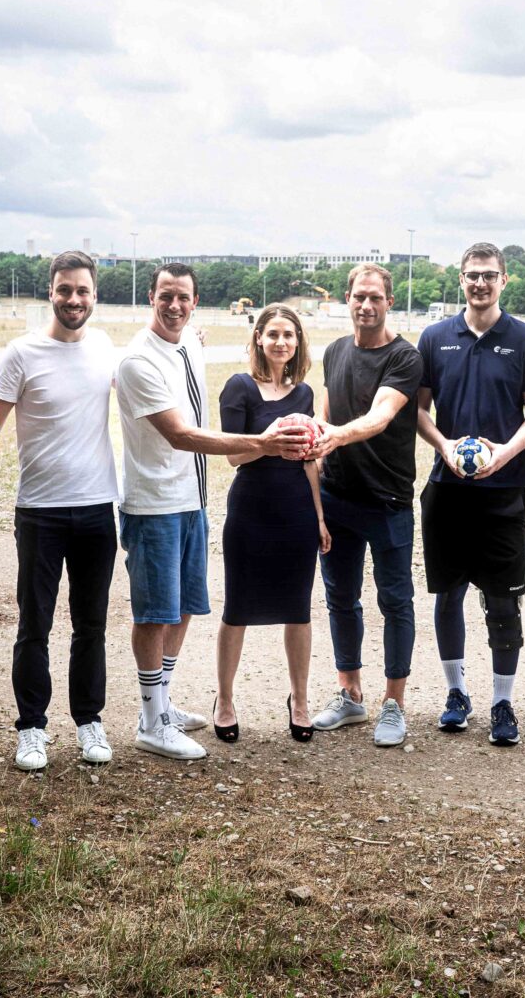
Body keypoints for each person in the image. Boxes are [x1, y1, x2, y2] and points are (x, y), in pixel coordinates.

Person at [114, 262, 308, 760]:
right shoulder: (138, 361)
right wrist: (262, 443)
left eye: (183, 297)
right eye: (165, 296)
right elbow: (181, 436)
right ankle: (151, 721)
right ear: (151, 298)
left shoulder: (189, 345)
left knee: (182, 609)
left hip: (191, 501)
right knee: (154, 614)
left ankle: (161, 704)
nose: (174, 305)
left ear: (194, 302)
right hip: (154, 503)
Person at [0, 250, 118, 772]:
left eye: (82, 291)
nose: (74, 300)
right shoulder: (22, 353)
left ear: (94, 297)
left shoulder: (106, 347)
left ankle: (89, 721)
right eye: (65, 290)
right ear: (51, 293)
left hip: (95, 509)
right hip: (39, 509)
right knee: (34, 624)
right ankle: (32, 729)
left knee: (92, 624)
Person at [415, 242, 525, 745]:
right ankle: (456, 694)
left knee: (502, 600)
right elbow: (419, 410)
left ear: (504, 281)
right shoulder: (434, 337)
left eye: (489, 275)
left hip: (504, 490)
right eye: (472, 275)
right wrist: (446, 446)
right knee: (448, 595)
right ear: (461, 279)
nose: (480, 283)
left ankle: (502, 702)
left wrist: (503, 454)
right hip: (448, 488)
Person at [308, 262, 422, 747]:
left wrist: (333, 436)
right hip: (338, 498)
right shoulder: (335, 351)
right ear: (347, 298)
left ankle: (393, 702)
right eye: (359, 296)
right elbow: (327, 414)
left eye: (376, 297)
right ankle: (349, 693)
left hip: (389, 499)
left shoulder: (405, 357)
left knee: (395, 600)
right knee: (340, 598)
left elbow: (380, 416)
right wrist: (317, 436)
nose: (366, 305)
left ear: (388, 302)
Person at [214, 304, 331, 742]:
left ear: (298, 342)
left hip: (296, 511)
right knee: (237, 610)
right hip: (251, 509)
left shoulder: (303, 395)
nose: (282, 341)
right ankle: (224, 700)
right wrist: (268, 444)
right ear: (258, 338)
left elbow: (309, 464)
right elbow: (233, 455)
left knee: (298, 611)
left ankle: (299, 700)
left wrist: (319, 517)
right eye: (274, 334)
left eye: (290, 334)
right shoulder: (239, 387)